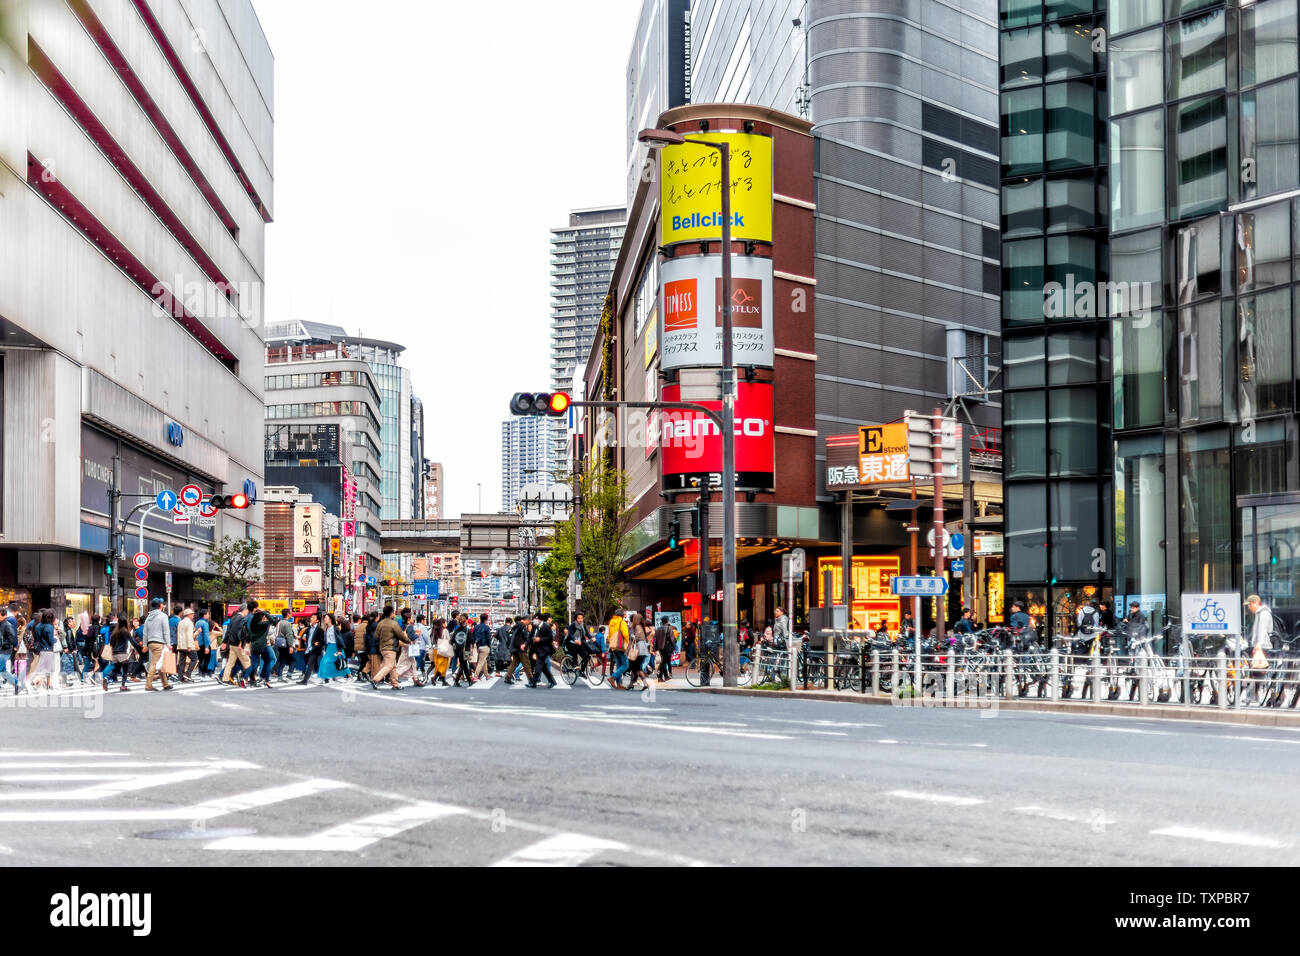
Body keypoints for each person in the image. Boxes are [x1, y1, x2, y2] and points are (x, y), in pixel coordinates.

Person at [369, 605, 404, 690]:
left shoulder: (380, 623)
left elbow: (376, 636)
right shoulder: (393, 623)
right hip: (391, 648)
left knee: (393, 666)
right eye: (393, 612)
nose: (394, 614)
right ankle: (375, 679)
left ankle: (395, 684)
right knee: (389, 666)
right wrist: (409, 641)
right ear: (391, 613)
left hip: (383, 648)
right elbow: (401, 635)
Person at [142, 598, 173, 692]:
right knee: (154, 664)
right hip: (159, 643)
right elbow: (166, 631)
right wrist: (168, 643)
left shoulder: (148, 617)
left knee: (160, 663)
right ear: (160, 605)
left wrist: (145, 645)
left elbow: (145, 632)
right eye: (162, 604)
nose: (163, 605)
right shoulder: (163, 616)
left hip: (151, 643)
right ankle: (148, 685)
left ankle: (165, 684)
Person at [222, 601, 254, 686]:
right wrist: (242, 643)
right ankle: (245, 678)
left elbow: (228, 631)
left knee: (230, 663)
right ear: (244, 610)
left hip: (232, 644)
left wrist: (224, 642)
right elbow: (241, 632)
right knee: (247, 663)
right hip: (238, 645)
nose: (247, 613)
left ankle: (225, 679)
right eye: (247, 611)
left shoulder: (233, 618)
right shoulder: (242, 619)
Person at [246, 607, 274, 688]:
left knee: (256, 662)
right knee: (266, 660)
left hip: (255, 644)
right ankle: (263, 679)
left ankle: (249, 679)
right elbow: (272, 625)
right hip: (264, 645)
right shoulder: (264, 623)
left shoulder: (252, 621)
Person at [318, 613, 350, 682]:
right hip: (329, 647)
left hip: (335, 647)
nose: (324, 619)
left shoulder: (335, 628)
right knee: (325, 662)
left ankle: (349, 676)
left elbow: (340, 639)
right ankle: (327, 678)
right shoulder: (327, 628)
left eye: (326, 617)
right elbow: (326, 640)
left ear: (330, 619)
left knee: (339, 662)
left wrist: (339, 650)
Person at [529, 613, 557, 688]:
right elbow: (531, 636)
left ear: (540, 619)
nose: (534, 620)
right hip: (536, 649)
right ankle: (552, 681)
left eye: (536, 619)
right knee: (543, 668)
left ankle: (533, 682)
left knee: (538, 666)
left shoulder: (546, 626)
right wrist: (526, 644)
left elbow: (550, 638)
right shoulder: (535, 626)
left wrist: (540, 639)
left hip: (544, 649)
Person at [607, 608, 631, 690]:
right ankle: (612, 678)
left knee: (619, 665)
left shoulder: (611, 622)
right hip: (621, 646)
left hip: (613, 646)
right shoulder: (622, 622)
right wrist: (627, 643)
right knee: (625, 665)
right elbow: (625, 634)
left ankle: (619, 684)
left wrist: (611, 644)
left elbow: (609, 635)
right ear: (622, 615)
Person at [505, 616, 531, 685]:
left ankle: (508, 677)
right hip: (520, 648)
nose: (529, 622)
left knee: (514, 663)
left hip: (515, 648)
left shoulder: (516, 625)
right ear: (525, 620)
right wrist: (524, 644)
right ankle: (531, 680)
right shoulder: (522, 626)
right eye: (529, 620)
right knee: (527, 664)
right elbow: (525, 637)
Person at [300, 613, 325, 684]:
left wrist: (318, 644)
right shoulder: (309, 628)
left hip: (315, 650)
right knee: (315, 666)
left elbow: (322, 641)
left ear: (317, 621)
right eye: (311, 617)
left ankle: (305, 681)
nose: (311, 618)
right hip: (308, 650)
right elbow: (305, 637)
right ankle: (326, 679)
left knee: (310, 665)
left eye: (313, 618)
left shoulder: (320, 630)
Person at [450, 613, 474, 686]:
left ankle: (457, 681)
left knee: (463, 665)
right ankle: (469, 680)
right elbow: (472, 640)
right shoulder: (467, 630)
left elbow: (452, 641)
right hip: (466, 650)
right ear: (465, 622)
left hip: (458, 650)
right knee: (464, 665)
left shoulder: (456, 630)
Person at [428, 618, 453, 686]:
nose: (446, 624)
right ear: (442, 624)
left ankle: (443, 680)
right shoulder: (445, 630)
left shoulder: (434, 630)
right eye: (445, 623)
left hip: (436, 649)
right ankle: (435, 677)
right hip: (443, 649)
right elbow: (448, 639)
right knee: (444, 666)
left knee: (438, 665)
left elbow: (431, 640)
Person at [175, 608, 197, 682]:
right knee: (194, 659)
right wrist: (190, 645)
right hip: (187, 645)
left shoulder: (180, 622)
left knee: (181, 661)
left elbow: (178, 634)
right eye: (192, 614)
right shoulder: (189, 623)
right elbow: (189, 635)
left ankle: (180, 677)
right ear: (188, 615)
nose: (193, 615)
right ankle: (187, 674)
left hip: (180, 645)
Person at [654, 617, 676, 681]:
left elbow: (656, 639)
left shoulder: (658, 628)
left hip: (660, 647)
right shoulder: (669, 628)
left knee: (664, 661)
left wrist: (655, 648)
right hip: (667, 647)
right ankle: (660, 676)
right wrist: (674, 646)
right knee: (664, 662)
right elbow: (672, 639)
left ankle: (664, 676)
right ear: (667, 621)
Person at [473, 613, 493, 681]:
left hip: (478, 646)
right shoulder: (486, 627)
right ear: (486, 619)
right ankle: (475, 676)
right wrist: (489, 646)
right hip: (485, 646)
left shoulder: (476, 627)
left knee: (484, 661)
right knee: (481, 662)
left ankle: (487, 675)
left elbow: (474, 636)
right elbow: (488, 638)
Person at [194, 608, 213, 678]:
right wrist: (207, 646)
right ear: (204, 615)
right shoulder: (205, 623)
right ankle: (204, 674)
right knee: (206, 659)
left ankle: (201, 673)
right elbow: (206, 635)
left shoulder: (197, 622)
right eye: (208, 614)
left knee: (201, 659)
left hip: (198, 643)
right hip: (204, 644)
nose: (209, 615)